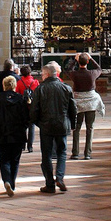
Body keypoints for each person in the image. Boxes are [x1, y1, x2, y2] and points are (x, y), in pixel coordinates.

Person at [30, 61, 76, 194]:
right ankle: (60, 178)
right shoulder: (66, 87)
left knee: (47, 155)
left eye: (42, 74)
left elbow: (34, 109)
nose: (42, 77)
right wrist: (72, 124)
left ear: (47, 74)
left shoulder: (40, 88)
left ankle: (49, 184)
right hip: (62, 124)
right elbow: (73, 109)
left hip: (46, 126)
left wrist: (36, 122)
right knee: (62, 153)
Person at [0, 75, 30, 196]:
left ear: (4, 86)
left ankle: (6, 181)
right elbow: (26, 117)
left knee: (4, 159)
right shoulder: (20, 99)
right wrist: (24, 128)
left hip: (2, 134)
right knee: (15, 160)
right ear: (15, 85)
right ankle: (12, 183)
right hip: (17, 134)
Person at [70, 52, 104, 159]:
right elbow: (99, 69)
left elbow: (68, 70)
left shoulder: (75, 74)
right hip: (91, 103)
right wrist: (91, 58)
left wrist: (75, 60)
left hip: (78, 103)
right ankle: (88, 154)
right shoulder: (91, 74)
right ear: (88, 62)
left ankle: (75, 153)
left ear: (78, 62)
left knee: (76, 128)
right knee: (90, 127)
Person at [15, 64, 39, 152]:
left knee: (23, 126)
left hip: (23, 106)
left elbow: (17, 93)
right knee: (31, 126)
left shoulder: (19, 82)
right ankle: (30, 146)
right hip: (32, 105)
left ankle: (22, 145)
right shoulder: (35, 82)